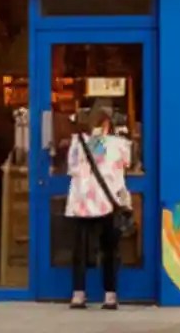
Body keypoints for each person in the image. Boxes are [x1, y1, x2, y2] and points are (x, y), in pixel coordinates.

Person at [65, 106, 131, 310]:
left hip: (82, 202)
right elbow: (128, 163)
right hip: (108, 202)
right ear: (107, 124)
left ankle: (78, 294)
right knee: (109, 250)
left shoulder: (77, 143)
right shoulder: (119, 144)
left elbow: (71, 168)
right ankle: (110, 296)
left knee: (80, 250)